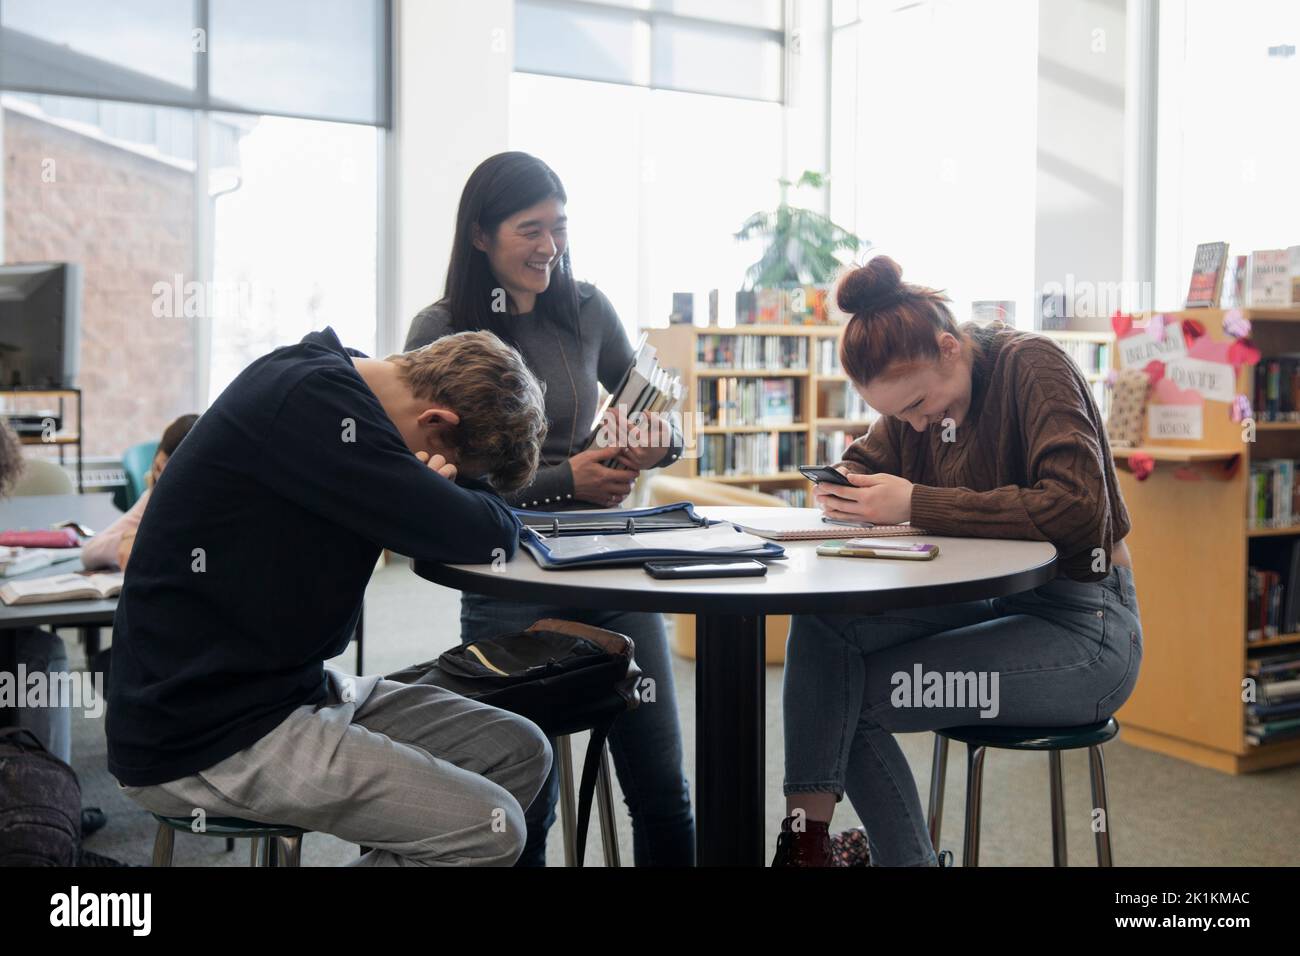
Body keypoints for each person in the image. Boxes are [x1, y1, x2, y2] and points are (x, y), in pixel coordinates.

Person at [108, 326, 556, 866]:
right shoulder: (317, 408)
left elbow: (481, 521)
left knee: (520, 750)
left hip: (286, 693)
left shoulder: (342, 388)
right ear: (436, 422)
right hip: (203, 731)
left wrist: (448, 491)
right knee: (489, 830)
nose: (459, 483)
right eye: (464, 473)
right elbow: (490, 534)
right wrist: (448, 498)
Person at [774, 256, 1142, 867]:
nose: (918, 422)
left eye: (919, 404)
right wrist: (846, 483)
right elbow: (869, 456)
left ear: (949, 347)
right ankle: (804, 847)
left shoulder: (1034, 366)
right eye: (901, 414)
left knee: (855, 699)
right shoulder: (919, 403)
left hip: (1088, 627)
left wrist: (916, 501)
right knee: (822, 621)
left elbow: (1079, 509)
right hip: (996, 604)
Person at [404, 151, 695, 866]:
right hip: (508, 572)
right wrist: (568, 480)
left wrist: (658, 444)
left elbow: (667, 418)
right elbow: (438, 489)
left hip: (612, 565)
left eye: (559, 227)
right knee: (516, 798)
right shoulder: (440, 329)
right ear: (480, 236)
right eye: (529, 230)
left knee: (662, 788)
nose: (549, 247)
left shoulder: (588, 307)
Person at [82, 414, 198, 573]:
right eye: (159, 468)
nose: (163, 480)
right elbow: (90, 552)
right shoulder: (152, 498)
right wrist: (129, 537)